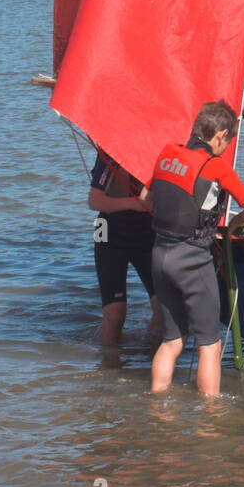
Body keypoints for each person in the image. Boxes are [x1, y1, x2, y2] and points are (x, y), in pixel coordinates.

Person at [142, 99, 244, 397]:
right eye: (229, 140)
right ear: (221, 134)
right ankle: (210, 417)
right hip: (192, 259)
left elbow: (146, 196)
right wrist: (234, 223)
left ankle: (158, 406)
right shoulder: (215, 167)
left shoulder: (168, 153)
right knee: (210, 343)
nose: (227, 146)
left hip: (160, 253)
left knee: (172, 341)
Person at [88, 148, 160, 346]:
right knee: (116, 311)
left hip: (146, 231)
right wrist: (134, 203)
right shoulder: (111, 150)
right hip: (108, 232)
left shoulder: (160, 150)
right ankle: (109, 368)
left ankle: (151, 359)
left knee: (163, 306)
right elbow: (94, 201)